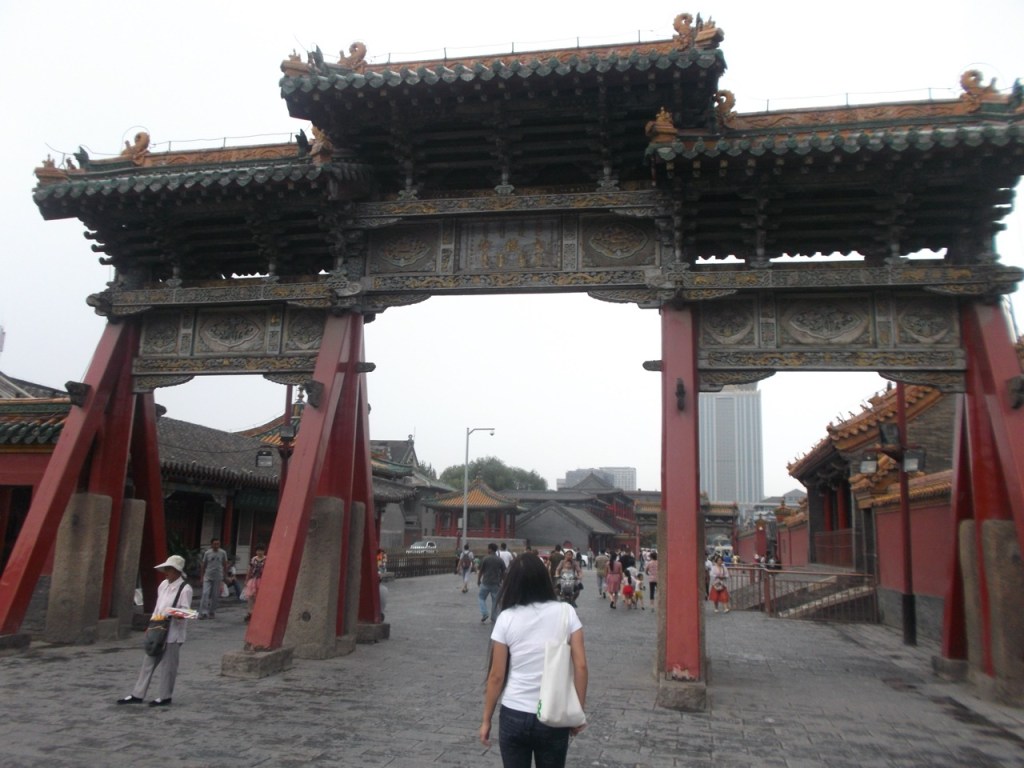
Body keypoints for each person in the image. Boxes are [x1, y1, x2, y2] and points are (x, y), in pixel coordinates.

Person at [480, 553, 588, 767]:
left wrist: (486, 721)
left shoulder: (506, 618)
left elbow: (496, 676)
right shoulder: (566, 612)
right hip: (553, 713)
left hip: (514, 713)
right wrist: (577, 713)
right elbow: (581, 666)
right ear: (544, 578)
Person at [116, 554, 193, 707]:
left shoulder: (185, 589)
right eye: (166, 569)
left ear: (177, 571)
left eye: (169, 569)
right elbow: (157, 607)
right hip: (157, 629)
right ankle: (137, 694)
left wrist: (170, 612)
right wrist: (150, 625)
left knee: (168, 667)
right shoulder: (163, 585)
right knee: (148, 662)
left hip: (173, 633)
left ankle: (165, 696)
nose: (166, 572)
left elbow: (187, 613)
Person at [198, 537, 228, 619]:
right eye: (214, 544)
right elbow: (203, 565)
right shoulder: (207, 553)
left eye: (218, 544)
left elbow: (225, 564)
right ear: (211, 544)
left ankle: (212, 611)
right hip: (207, 576)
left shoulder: (223, 553)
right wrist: (201, 577)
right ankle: (203, 612)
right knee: (205, 593)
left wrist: (225, 576)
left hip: (218, 577)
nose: (216, 545)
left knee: (215, 595)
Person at [477, 542, 507, 623]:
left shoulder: (485, 559)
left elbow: (481, 571)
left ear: (490, 549)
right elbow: (504, 572)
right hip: (496, 583)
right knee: (495, 601)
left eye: (488, 548)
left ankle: (484, 613)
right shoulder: (500, 560)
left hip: (486, 582)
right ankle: (494, 617)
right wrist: (503, 581)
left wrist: (478, 580)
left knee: (481, 598)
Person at [242, 543, 266, 622]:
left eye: (261, 550)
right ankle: (250, 612)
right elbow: (250, 569)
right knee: (251, 597)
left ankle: (258, 613)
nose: (259, 552)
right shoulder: (253, 559)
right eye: (258, 550)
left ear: (264, 551)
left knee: (259, 597)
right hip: (253, 580)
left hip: (262, 580)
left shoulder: (266, 559)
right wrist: (246, 579)